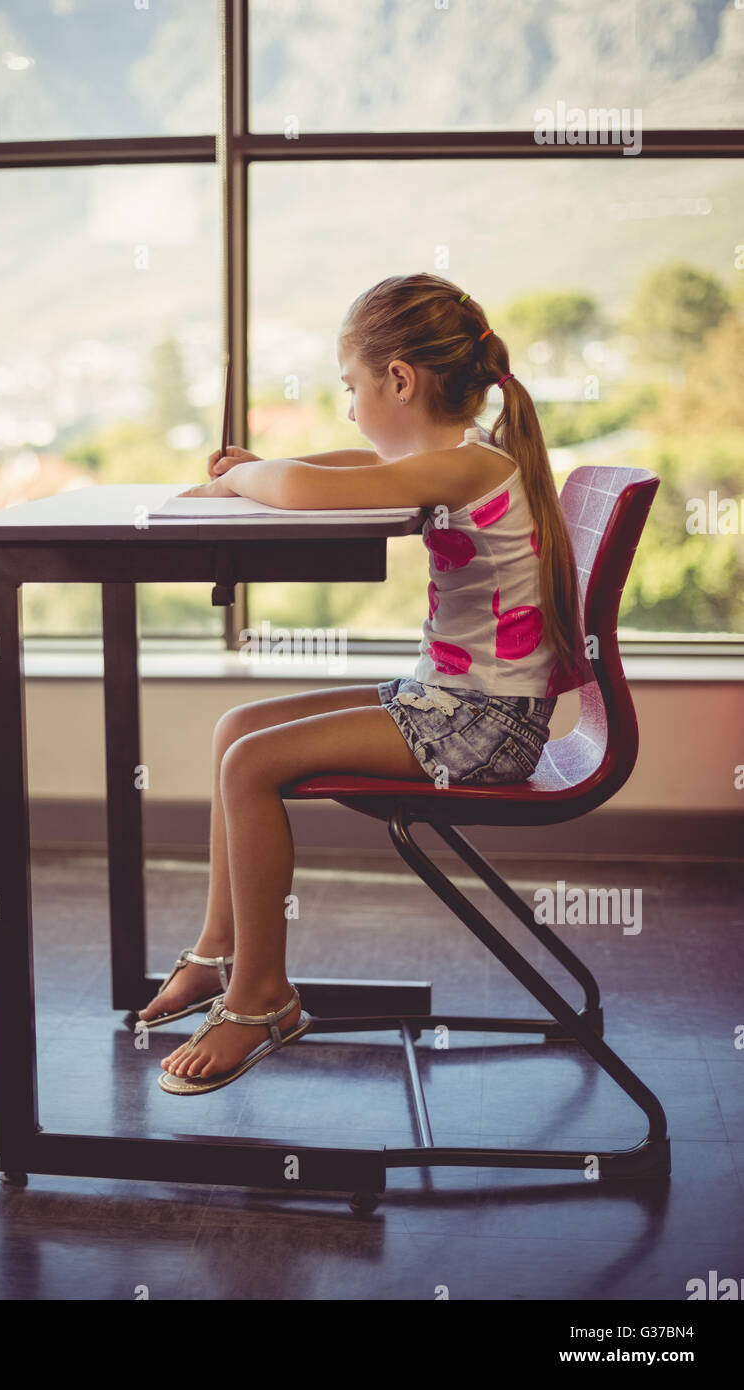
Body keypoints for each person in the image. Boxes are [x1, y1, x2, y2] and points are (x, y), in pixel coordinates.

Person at [138, 271, 589, 1095]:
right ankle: (217, 955)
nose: (350, 407)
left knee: (249, 765)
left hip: (479, 727)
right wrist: (266, 463)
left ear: (400, 380)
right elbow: (342, 464)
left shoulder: (466, 470)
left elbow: (312, 488)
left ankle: (262, 1000)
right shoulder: (467, 457)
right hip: (457, 707)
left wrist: (247, 478)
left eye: (353, 386)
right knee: (238, 728)